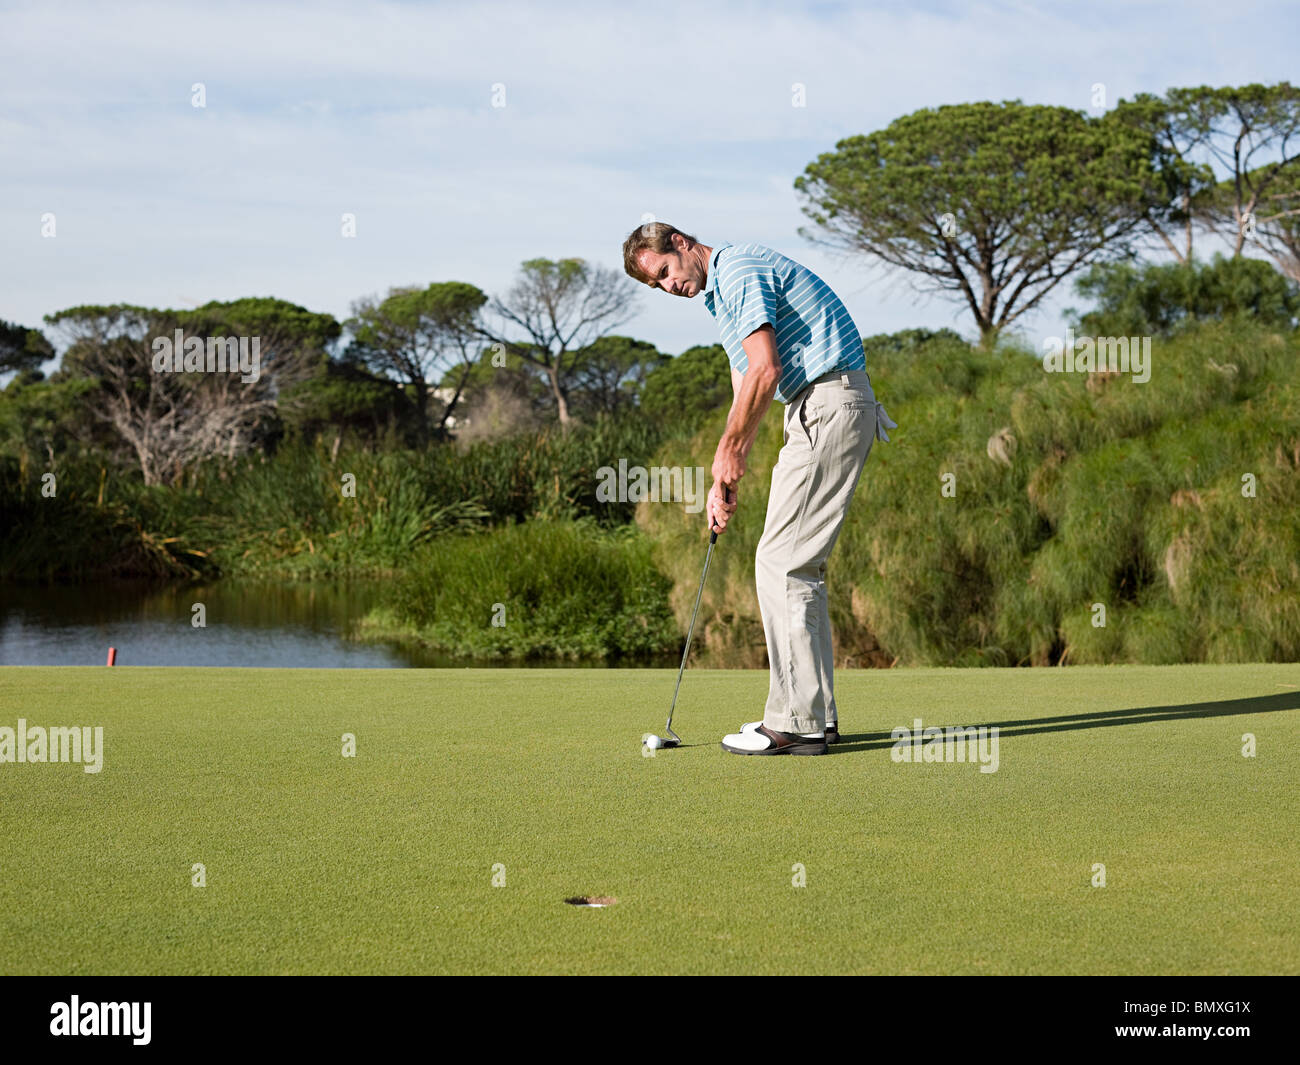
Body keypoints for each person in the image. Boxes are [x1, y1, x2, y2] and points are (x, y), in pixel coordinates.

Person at [622, 222, 896, 755]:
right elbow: (743, 382)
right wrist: (725, 476)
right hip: (816, 408)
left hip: (827, 402)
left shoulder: (740, 269)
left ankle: (794, 723)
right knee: (796, 565)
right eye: (657, 287)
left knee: (783, 563)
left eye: (664, 273)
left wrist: (734, 450)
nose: (669, 287)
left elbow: (766, 370)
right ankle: (814, 715)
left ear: (679, 243)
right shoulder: (720, 298)